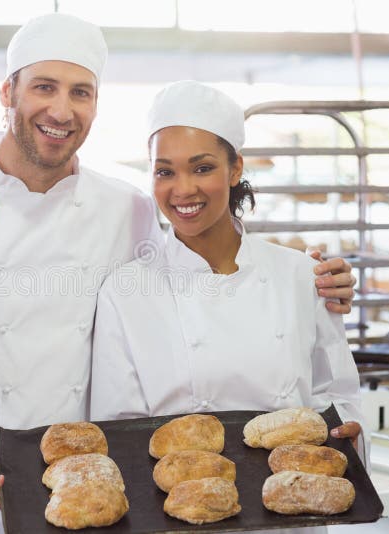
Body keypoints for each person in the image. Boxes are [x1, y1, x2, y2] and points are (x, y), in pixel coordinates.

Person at [0, 14, 356, 534]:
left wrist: (305, 275)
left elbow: (198, 274)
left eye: (81, 92)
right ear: (7, 93)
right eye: (44, 87)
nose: (62, 109)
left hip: (72, 489)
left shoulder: (126, 208)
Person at [90, 81, 367, 533]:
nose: (183, 190)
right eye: (164, 172)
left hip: (291, 512)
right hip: (178, 517)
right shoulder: (125, 292)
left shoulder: (301, 275)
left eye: (202, 168)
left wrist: (350, 436)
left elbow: (340, 398)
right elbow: (118, 432)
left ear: (235, 168)